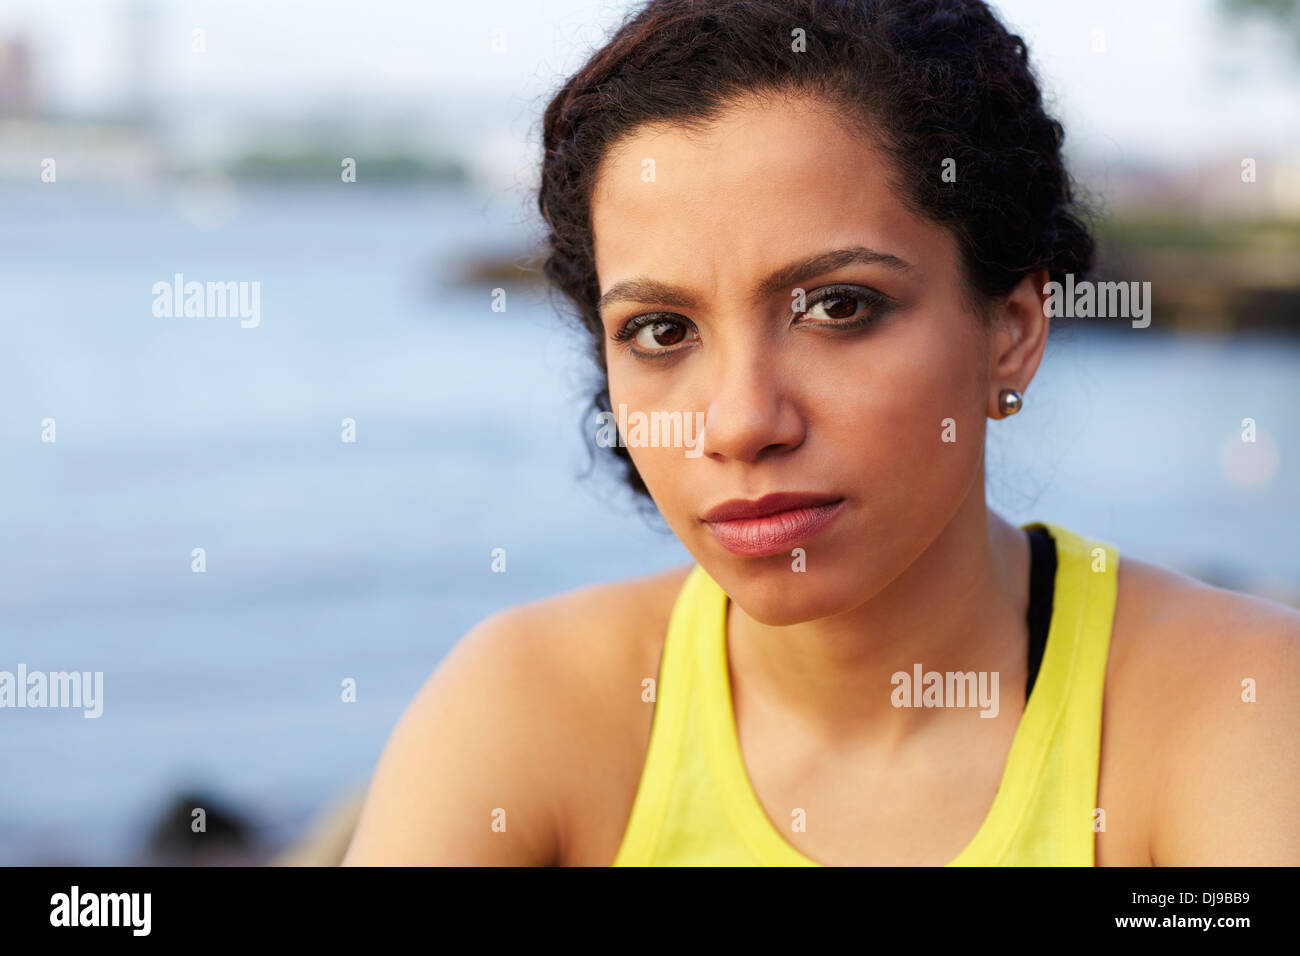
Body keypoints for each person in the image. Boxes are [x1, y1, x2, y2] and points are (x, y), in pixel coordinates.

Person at [342, 0, 1300, 866]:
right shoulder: (528, 712)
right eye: (661, 331)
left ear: (1010, 331)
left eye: (839, 306)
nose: (742, 421)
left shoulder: (1229, 707)